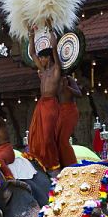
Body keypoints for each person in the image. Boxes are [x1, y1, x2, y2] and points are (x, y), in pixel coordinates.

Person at [27, 23, 62, 173]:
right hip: (41, 104)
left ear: (48, 58)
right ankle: (39, 161)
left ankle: (54, 165)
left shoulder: (56, 69)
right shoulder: (42, 70)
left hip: (51, 103)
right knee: (35, 135)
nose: (39, 60)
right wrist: (31, 35)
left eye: (42, 58)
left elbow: (54, 48)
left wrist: (51, 30)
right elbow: (32, 53)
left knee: (47, 136)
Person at [56, 76, 82, 167]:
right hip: (59, 110)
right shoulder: (55, 78)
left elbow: (79, 94)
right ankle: (58, 163)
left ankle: (72, 164)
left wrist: (67, 87)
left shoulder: (68, 79)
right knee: (56, 138)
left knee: (63, 139)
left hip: (70, 110)